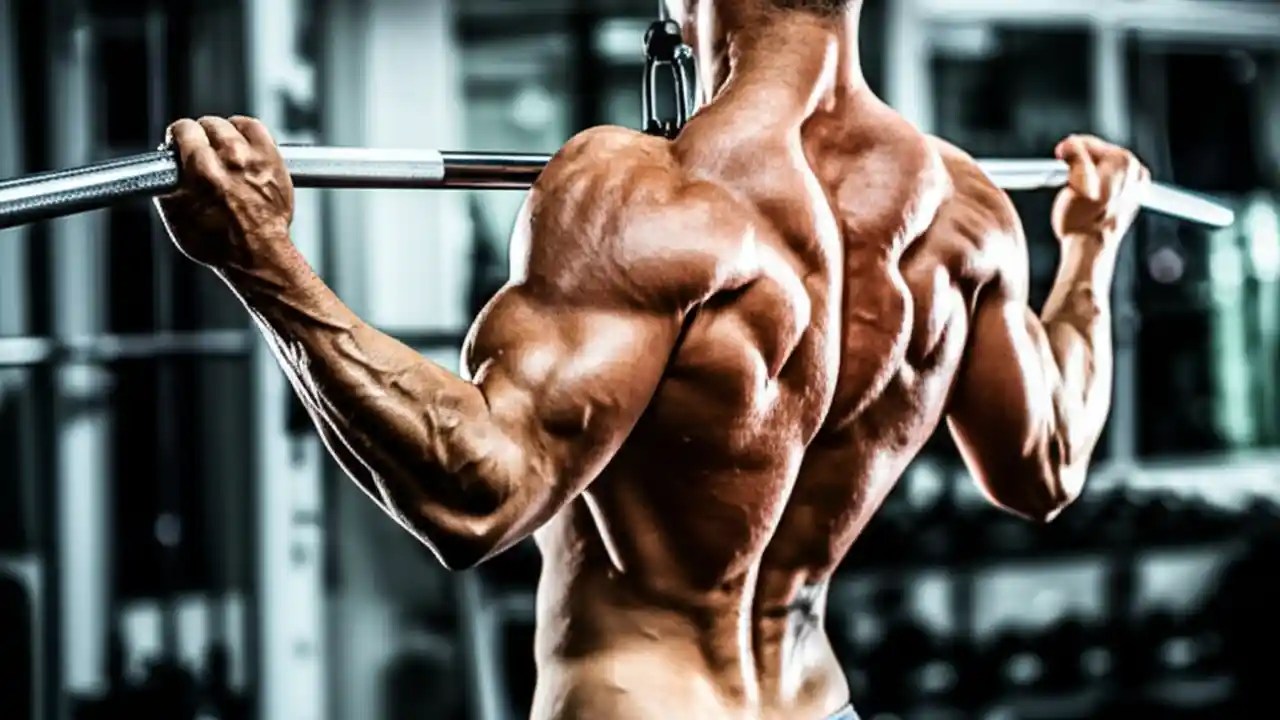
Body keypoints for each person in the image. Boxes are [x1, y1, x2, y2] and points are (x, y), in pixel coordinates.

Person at [155, 1, 1149, 717]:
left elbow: (479, 495)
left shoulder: (648, 195)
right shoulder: (964, 214)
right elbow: (1046, 466)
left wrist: (261, 260)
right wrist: (1092, 250)